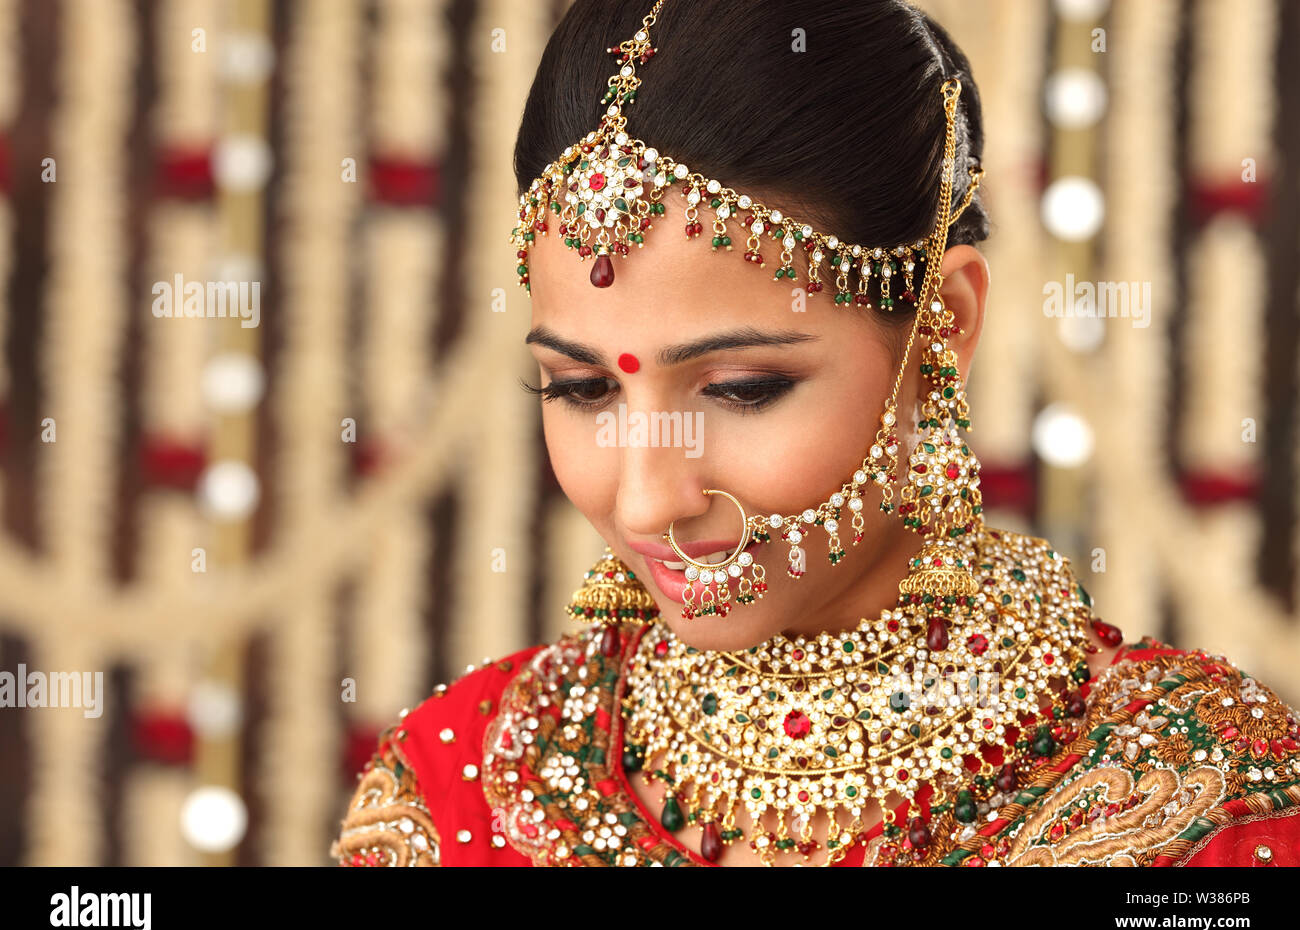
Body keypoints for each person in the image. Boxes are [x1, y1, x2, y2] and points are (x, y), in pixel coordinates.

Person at [331, 0, 1300, 867]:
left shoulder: (1198, 815)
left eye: (745, 388)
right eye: (582, 389)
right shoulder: (455, 791)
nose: (647, 499)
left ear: (941, 326)